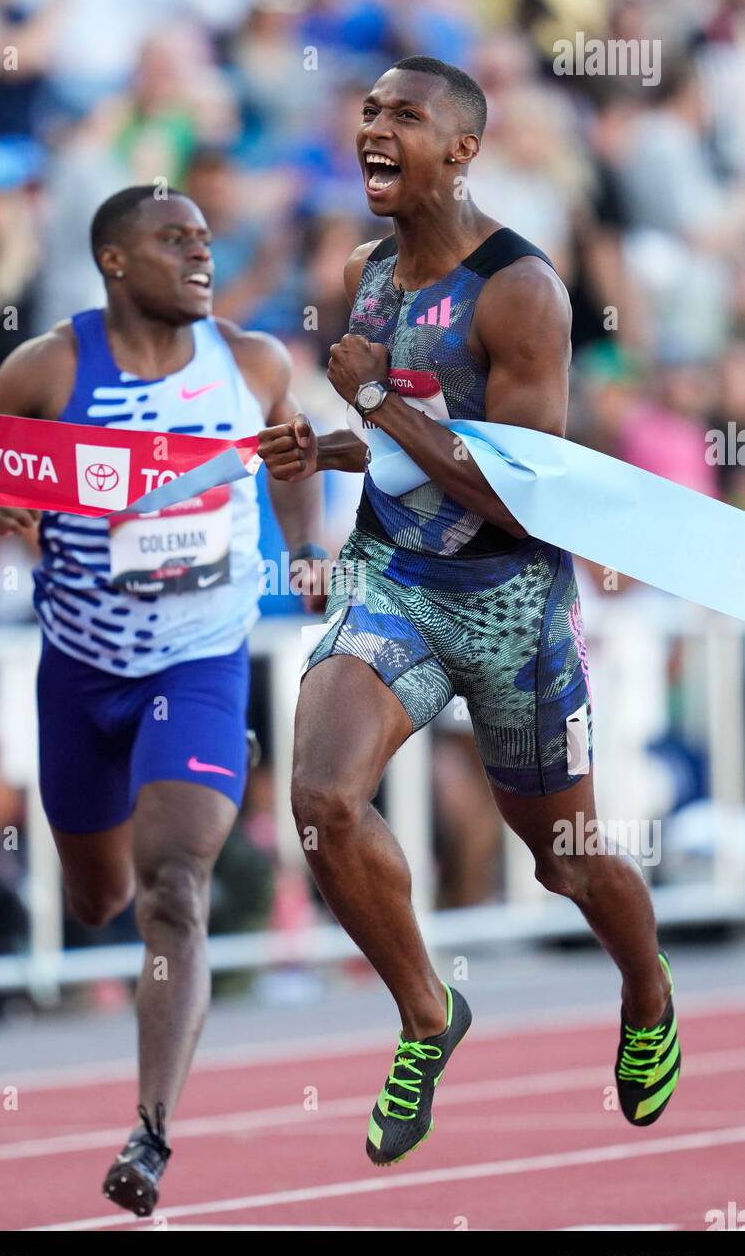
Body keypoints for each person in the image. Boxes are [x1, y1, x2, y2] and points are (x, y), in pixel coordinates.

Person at [258, 56, 679, 1168]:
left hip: (508, 605)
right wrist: (334, 443)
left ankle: (643, 986)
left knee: (567, 861)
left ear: (462, 148)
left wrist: (372, 402)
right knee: (320, 799)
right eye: (366, 111)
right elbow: (410, 447)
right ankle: (426, 1016)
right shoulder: (366, 268)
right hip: (391, 582)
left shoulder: (521, 290)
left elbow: (521, 494)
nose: (372, 129)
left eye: (403, 114)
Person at [0, 185, 325, 1214]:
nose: (199, 253)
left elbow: (292, 457)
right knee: (98, 896)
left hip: (197, 666)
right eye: (171, 240)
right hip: (81, 672)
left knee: (173, 886)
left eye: (204, 239)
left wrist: (309, 546)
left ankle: (149, 1134)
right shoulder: (49, 366)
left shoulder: (255, 362)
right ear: (111, 261)